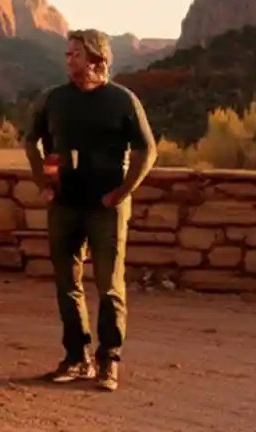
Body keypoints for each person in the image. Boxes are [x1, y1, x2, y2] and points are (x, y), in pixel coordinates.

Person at [23, 29, 157, 392]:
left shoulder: (122, 100)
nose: (69, 60)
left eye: (76, 54)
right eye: (67, 54)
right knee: (67, 284)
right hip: (65, 205)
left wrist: (122, 192)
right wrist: (46, 182)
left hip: (106, 206)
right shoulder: (54, 100)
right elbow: (37, 143)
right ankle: (76, 357)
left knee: (109, 286)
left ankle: (108, 360)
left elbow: (147, 151)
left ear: (97, 60)